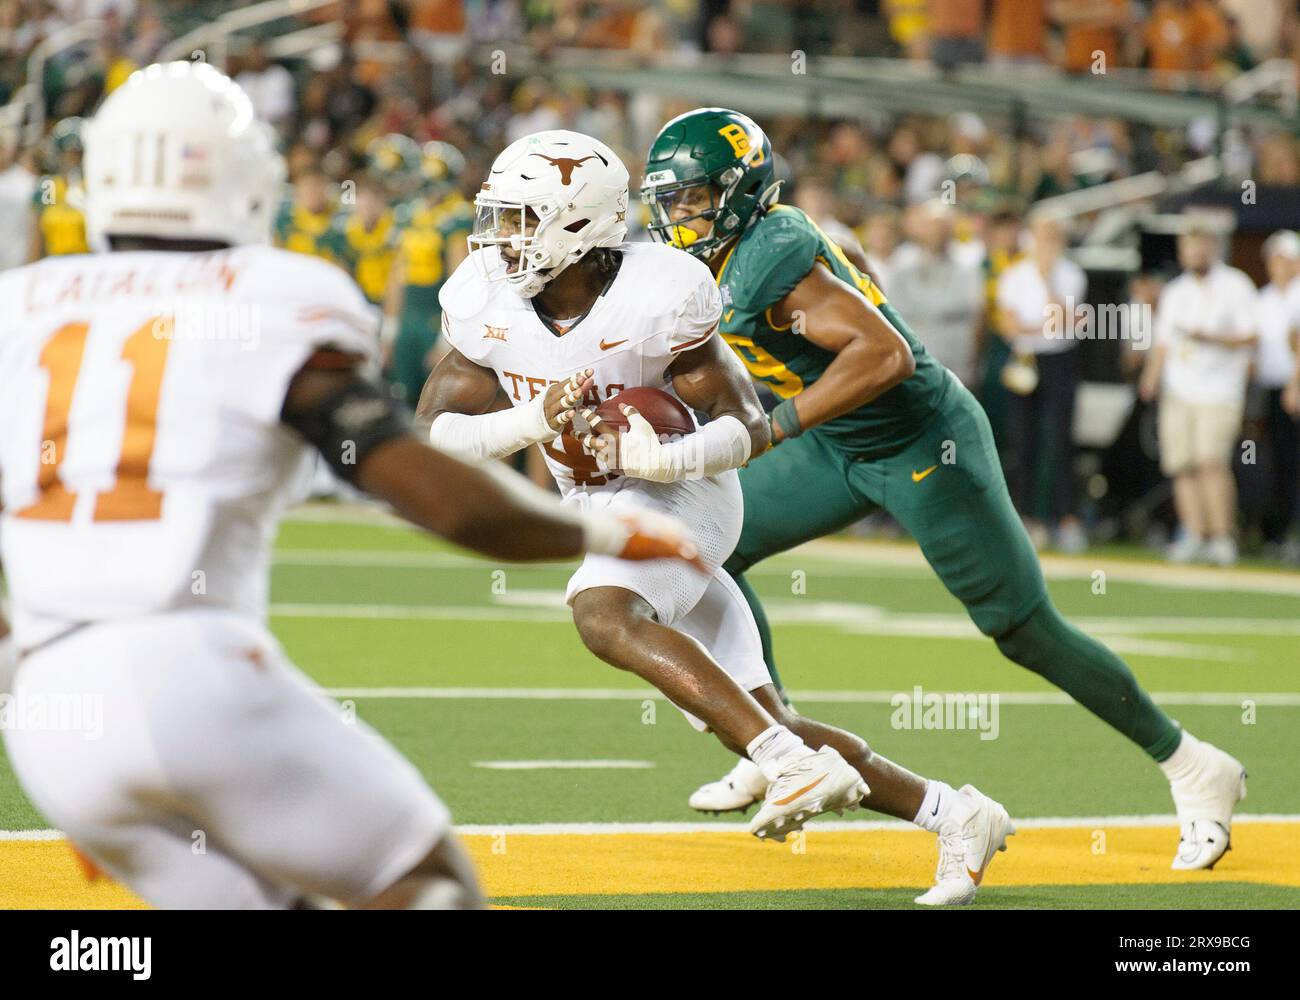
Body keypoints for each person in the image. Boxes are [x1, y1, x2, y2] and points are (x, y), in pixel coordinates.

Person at [0, 62, 700, 911]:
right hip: (192, 672)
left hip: (47, 710)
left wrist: (74, 734)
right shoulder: (272, 294)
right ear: (241, 177)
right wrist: (605, 535)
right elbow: (433, 492)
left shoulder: (18, 305)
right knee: (427, 886)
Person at [641, 107, 1247, 874]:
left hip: (923, 443)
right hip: (841, 445)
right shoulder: (759, 245)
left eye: (692, 198)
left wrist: (772, 426)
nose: (677, 215)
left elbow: (886, 352)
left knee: (1022, 629)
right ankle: (776, 740)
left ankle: (1193, 765)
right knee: (707, 554)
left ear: (736, 193)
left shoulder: (769, 259)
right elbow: (849, 258)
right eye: (670, 199)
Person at [418, 129, 1013, 904]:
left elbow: (740, 417)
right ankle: (956, 813)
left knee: (602, 613)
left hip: (684, 491)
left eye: (522, 219)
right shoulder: (485, 298)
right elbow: (435, 431)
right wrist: (532, 423)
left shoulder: (658, 290)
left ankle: (788, 765)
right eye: (498, 217)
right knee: (764, 718)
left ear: (578, 224)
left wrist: (665, 459)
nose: (501, 239)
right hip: (597, 499)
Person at [1139, 224, 1258, 566]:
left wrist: (1212, 339)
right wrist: (1152, 377)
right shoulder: (1176, 291)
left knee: (1211, 461)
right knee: (1182, 465)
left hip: (1219, 390)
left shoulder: (1236, 285)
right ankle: (1194, 534)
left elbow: (1251, 338)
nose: (1194, 255)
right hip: (1180, 390)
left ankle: (1221, 536)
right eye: (1188, 249)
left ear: (1214, 248)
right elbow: (1164, 343)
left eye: (1200, 248)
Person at [995, 214, 1087, 552]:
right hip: (1024, 360)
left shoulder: (1070, 274)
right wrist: (1045, 325)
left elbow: (1063, 320)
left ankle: (1067, 519)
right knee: (1023, 441)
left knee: (1061, 440)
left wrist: (1048, 282)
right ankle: (1027, 518)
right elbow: (1009, 326)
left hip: (1058, 362)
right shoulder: (1014, 275)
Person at [1254, 230, 1300, 560]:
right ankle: (1282, 536)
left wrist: (1295, 385)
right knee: (1280, 463)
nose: (1278, 264)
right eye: (1274, 258)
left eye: (1285, 258)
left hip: (1293, 389)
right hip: (1272, 389)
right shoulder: (1265, 298)